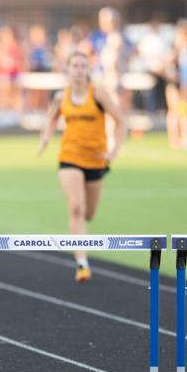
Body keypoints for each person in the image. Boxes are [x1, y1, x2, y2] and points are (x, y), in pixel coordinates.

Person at [38, 51, 126, 282]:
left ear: (87, 70)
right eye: (74, 65)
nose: (78, 69)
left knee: (89, 213)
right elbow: (51, 119)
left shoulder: (97, 93)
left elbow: (121, 122)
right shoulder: (61, 97)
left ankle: (80, 246)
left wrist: (113, 151)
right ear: (67, 69)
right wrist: (46, 138)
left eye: (82, 66)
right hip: (70, 157)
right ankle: (82, 263)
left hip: (96, 159)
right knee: (76, 208)